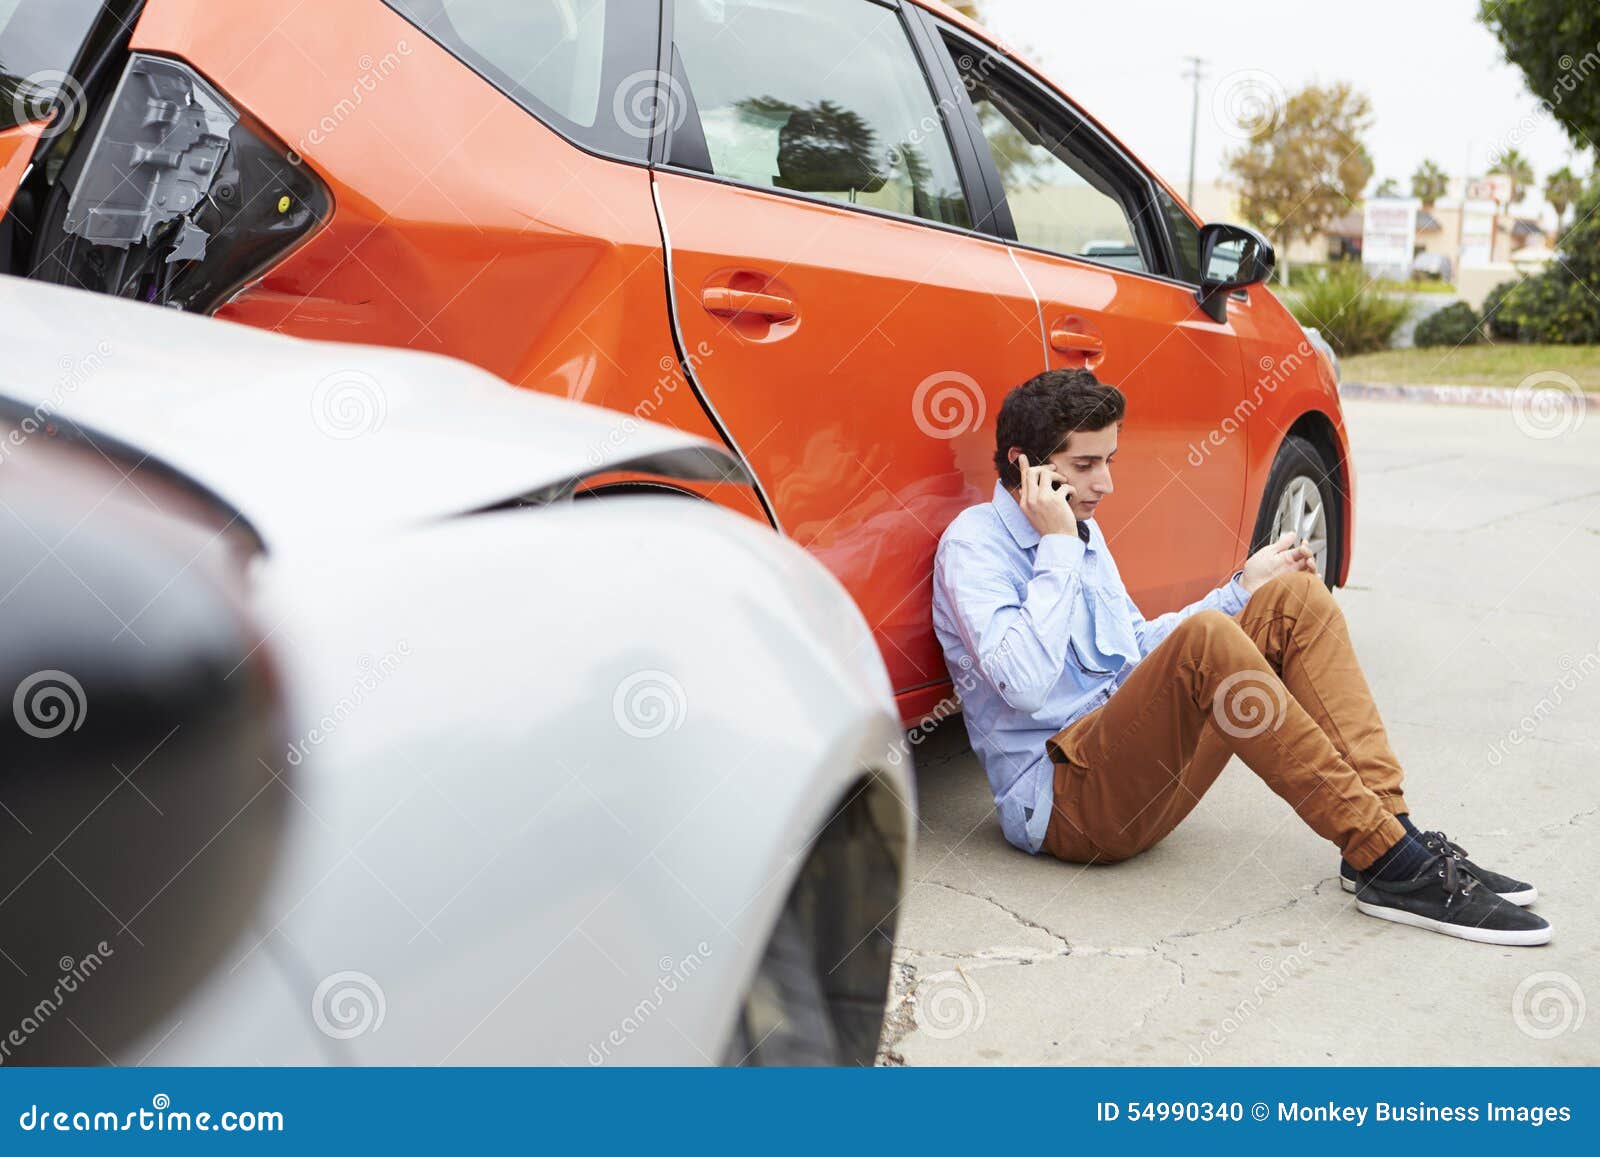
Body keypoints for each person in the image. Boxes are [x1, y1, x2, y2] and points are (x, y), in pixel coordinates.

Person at [931, 368, 1550, 946]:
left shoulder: (1081, 531)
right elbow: (1025, 687)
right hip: (1069, 806)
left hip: (1135, 761)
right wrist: (1059, 548)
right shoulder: (976, 547)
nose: (1106, 483)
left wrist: (1240, 591)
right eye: (1085, 465)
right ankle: (1388, 858)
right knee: (1206, 638)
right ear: (1027, 466)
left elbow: (1135, 651)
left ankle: (1392, 833)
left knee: (1292, 597)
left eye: (1109, 461)